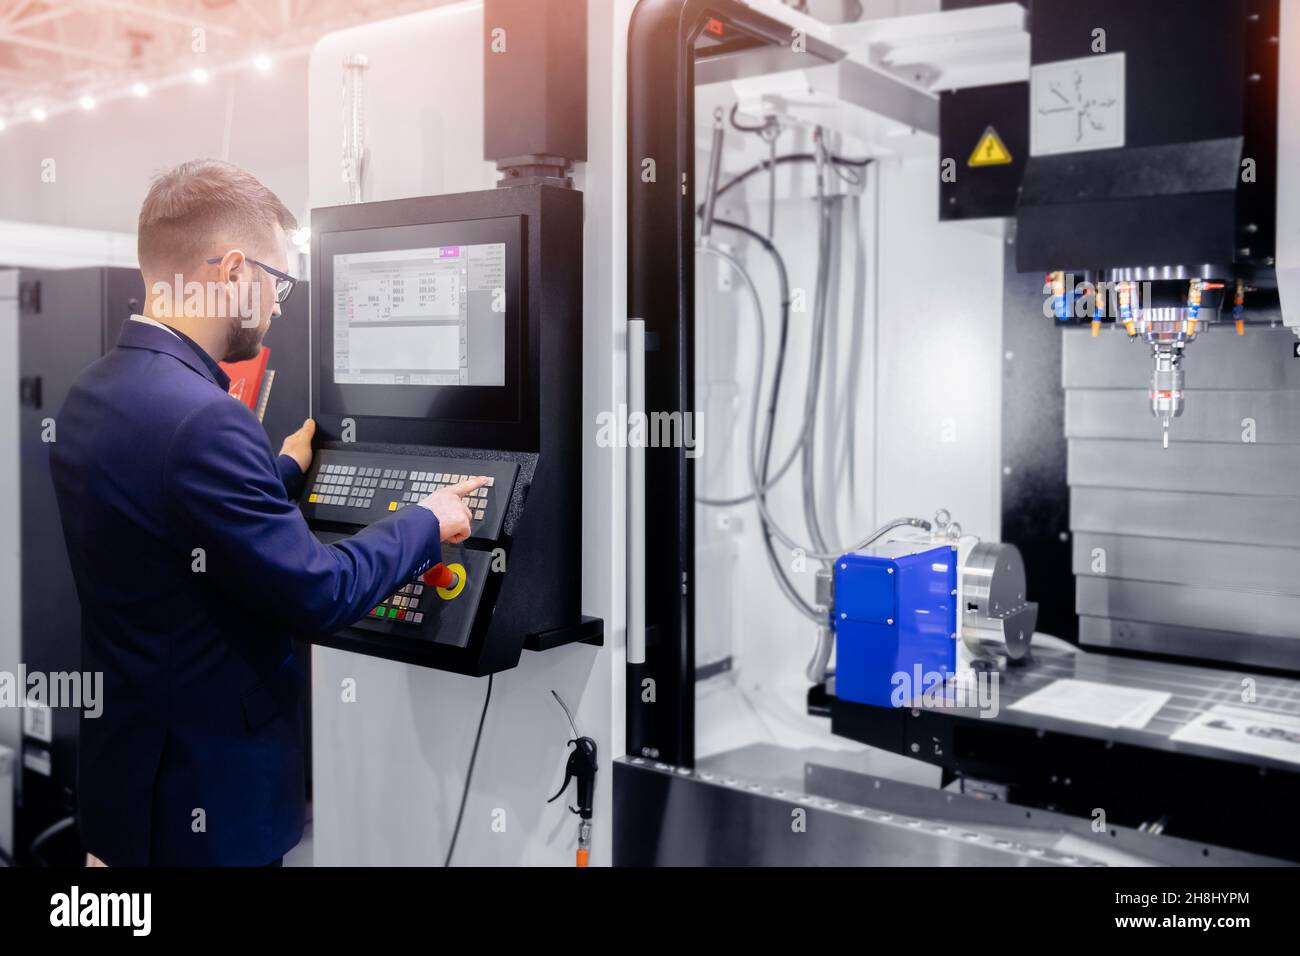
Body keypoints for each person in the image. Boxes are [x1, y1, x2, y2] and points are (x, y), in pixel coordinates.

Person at [50, 158, 483, 866]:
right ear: (229, 274)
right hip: (207, 804)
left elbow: (170, 523)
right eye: (276, 282)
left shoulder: (92, 395)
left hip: (126, 790)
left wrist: (278, 469)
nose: (279, 304)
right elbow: (319, 591)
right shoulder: (207, 422)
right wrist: (427, 520)